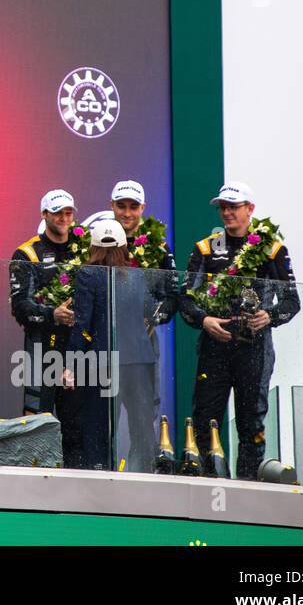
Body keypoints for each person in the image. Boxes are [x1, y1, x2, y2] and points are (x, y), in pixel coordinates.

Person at [178, 181, 300, 479]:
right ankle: (208, 484)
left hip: (254, 349)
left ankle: (248, 488)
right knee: (206, 418)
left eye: (233, 207)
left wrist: (268, 316)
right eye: (223, 207)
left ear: (250, 209)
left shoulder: (271, 249)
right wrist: (204, 320)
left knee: (251, 423)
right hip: (214, 346)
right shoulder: (205, 248)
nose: (227, 213)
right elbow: (185, 298)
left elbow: (292, 300)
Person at [103, 179, 178, 471]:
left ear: (143, 208)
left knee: (143, 419)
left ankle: (141, 478)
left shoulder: (157, 247)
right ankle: (102, 479)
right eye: (121, 206)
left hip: (143, 347)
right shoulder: (98, 241)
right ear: (112, 206)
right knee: (103, 419)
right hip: (104, 348)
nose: (127, 213)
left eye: (133, 207)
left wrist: (155, 317)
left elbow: (173, 294)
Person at [9, 189, 82, 467]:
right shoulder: (27, 253)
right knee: (37, 418)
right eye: (57, 212)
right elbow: (20, 307)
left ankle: (76, 483)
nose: (64, 218)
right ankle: (33, 482)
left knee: (75, 421)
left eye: (68, 212)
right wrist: (53, 314)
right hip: (41, 345)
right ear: (44, 215)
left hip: (77, 346)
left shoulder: (83, 248)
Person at [62, 218, 134, 470]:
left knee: (95, 424)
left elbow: (82, 324)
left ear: (93, 247)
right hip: (131, 363)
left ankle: (98, 473)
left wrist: (70, 364)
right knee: (125, 425)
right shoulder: (133, 277)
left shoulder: (88, 274)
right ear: (123, 246)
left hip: (98, 364)